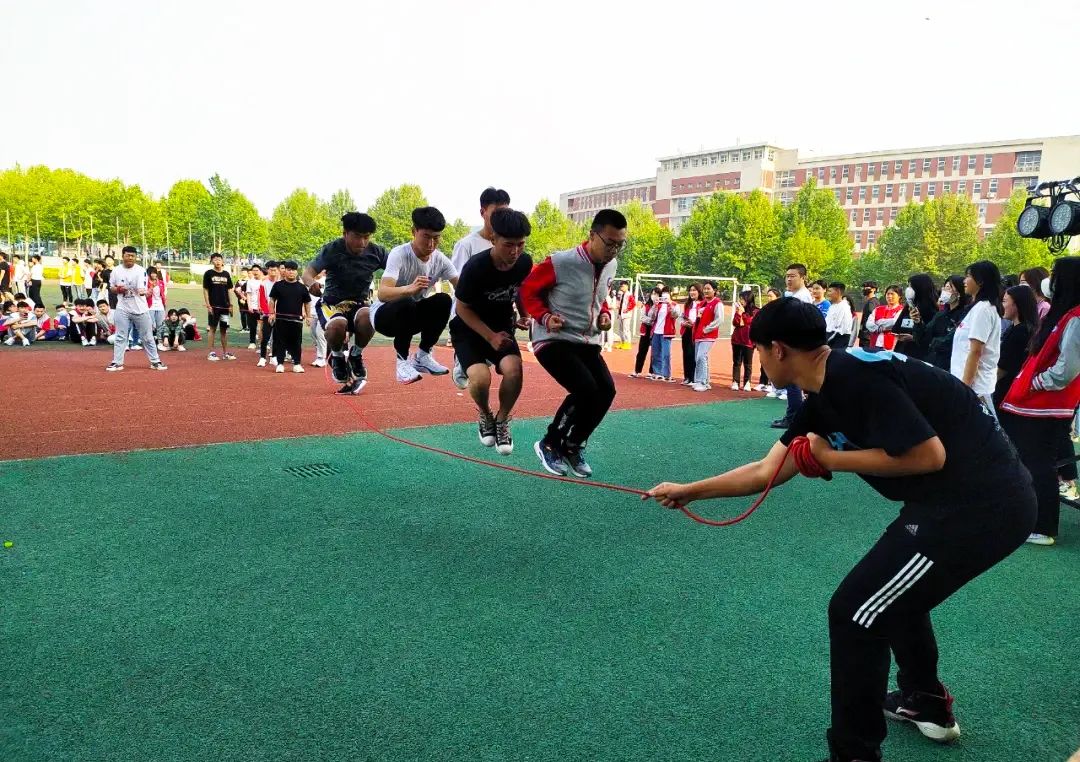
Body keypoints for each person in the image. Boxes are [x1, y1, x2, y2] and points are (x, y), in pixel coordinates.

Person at [644, 297, 1035, 762]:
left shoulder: (855, 379)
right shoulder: (824, 392)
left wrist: (831, 460)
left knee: (855, 611)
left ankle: (854, 753)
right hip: (959, 503)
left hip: (981, 508)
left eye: (759, 349)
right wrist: (689, 490)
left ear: (779, 349)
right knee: (890, 596)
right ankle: (924, 701)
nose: (760, 358)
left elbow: (929, 455)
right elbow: (766, 470)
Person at [521, 208, 624, 478]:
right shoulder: (561, 262)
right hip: (553, 340)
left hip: (586, 341)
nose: (614, 250)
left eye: (620, 244)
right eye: (610, 243)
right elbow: (527, 290)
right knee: (586, 389)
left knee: (607, 391)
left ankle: (573, 444)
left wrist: (605, 315)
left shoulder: (612, 265)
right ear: (592, 235)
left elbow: (601, 299)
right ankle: (549, 443)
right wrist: (543, 317)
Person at [1001, 256, 1080, 546]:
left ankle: (1044, 526)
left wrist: (1035, 382)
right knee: (1030, 460)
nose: (1051, 281)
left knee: (1041, 464)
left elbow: (1066, 369)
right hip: (1032, 402)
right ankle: (1029, 517)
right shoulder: (1065, 314)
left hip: (1047, 404)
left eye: (1056, 275)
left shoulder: (1076, 318)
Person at [449, 208, 532, 455]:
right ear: (493, 239)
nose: (515, 251)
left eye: (520, 244)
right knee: (480, 377)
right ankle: (485, 414)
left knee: (514, 370)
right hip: (469, 329)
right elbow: (462, 308)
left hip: (502, 326)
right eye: (509, 245)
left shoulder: (524, 262)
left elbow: (520, 291)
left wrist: (525, 315)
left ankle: (502, 420)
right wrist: (490, 337)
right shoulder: (476, 267)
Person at [370, 207, 458, 384]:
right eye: (426, 237)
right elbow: (384, 293)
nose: (431, 244)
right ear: (414, 232)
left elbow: (462, 289)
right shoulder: (399, 254)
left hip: (412, 318)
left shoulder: (440, 260)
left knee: (443, 300)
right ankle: (402, 362)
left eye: (436, 238)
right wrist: (409, 288)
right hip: (384, 317)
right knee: (407, 301)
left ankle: (422, 356)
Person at [303, 213, 389, 393]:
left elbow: (397, 268)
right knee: (338, 326)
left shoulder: (377, 252)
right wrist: (311, 284)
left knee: (368, 317)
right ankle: (336, 357)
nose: (363, 242)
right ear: (345, 233)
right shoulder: (332, 249)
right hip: (332, 303)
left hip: (359, 302)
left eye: (367, 237)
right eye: (358, 236)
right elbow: (307, 273)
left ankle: (356, 355)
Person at [448, 188, 511, 388]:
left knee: (505, 361)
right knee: (475, 372)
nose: (501, 219)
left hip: (497, 314)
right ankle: (463, 359)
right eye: (496, 213)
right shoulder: (466, 245)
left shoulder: (510, 245)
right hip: (469, 314)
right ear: (482, 212)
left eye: (505, 213)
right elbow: (457, 281)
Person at [950, 261, 1002, 413]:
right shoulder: (978, 308)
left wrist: (965, 388)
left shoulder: (984, 309)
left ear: (980, 281)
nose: (964, 281)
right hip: (967, 384)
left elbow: (975, 351)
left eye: (968, 277)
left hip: (976, 388)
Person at [106, 246, 167, 372]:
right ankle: (117, 362)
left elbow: (141, 289)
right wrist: (118, 289)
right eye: (128, 255)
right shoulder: (116, 271)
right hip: (122, 308)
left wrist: (144, 291)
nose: (130, 258)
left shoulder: (140, 271)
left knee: (147, 336)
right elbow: (111, 287)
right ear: (122, 256)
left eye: (133, 256)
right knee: (121, 336)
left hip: (140, 309)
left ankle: (155, 361)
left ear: (136, 257)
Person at [771, 264, 812, 429]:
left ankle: (794, 417)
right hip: (791, 342)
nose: (788, 279)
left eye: (793, 276)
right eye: (787, 275)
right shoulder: (792, 295)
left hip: (796, 344)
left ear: (802, 278)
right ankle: (795, 416)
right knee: (793, 381)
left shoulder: (802, 297)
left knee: (793, 381)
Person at [994, 285, 1038, 408]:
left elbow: (1003, 368)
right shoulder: (1015, 328)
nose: (1002, 305)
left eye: (1004, 301)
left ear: (1017, 304)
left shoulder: (1021, 332)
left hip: (1008, 392)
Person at [269, 260, 310, 374]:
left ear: (297, 272)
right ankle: (280, 364)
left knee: (296, 342)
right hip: (281, 319)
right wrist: (271, 313)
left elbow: (307, 302)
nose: (291, 272)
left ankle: (297, 364)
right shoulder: (278, 285)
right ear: (285, 271)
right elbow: (272, 300)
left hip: (296, 320)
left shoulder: (302, 287)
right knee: (280, 342)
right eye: (289, 270)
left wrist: (309, 316)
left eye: (293, 270)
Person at [892, 274, 937, 360]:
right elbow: (897, 327)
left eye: (911, 286)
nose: (908, 290)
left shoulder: (931, 310)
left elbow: (931, 336)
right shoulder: (909, 306)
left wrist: (914, 338)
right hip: (902, 351)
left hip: (919, 355)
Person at [202, 253, 236, 361]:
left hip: (225, 307)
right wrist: (208, 305)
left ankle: (225, 353)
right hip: (213, 306)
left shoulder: (226, 274)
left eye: (219, 259)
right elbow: (205, 290)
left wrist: (230, 304)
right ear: (212, 261)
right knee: (212, 328)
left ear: (222, 261)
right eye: (215, 259)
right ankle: (211, 353)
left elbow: (229, 289)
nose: (217, 261)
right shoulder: (208, 273)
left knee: (224, 330)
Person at [692, 281, 724, 391]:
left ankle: (702, 382)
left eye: (708, 288)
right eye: (704, 288)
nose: (705, 290)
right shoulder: (702, 303)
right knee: (699, 358)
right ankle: (703, 380)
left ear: (714, 290)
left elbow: (719, 319)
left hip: (708, 335)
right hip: (698, 335)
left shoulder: (717, 303)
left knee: (701, 356)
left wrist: (707, 329)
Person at [648, 286, 678, 381]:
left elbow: (675, 315)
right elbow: (651, 316)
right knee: (655, 353)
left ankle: (667, 374)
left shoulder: (674, 304)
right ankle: (657, 372)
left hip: (667, 332)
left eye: (667, 293)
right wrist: (654, 305)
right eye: (663, 294)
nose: (665, 296)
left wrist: (669, 304)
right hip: (656, 331)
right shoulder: (659, 305)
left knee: (666, 354)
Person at [629, 287, 659, 378]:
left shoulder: (660, 306)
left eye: (657, 294)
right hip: (646, 330)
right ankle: (637, 370)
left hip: (655, 331)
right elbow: (642, 317)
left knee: (654, 352)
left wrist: (656, 306)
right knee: (642, 351)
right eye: (653, 293)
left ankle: (651, 371)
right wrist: (651, 321)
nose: (654, 296)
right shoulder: (646, 305)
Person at [730, 289, 756, 391]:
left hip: (749, 341)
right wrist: (739, 313)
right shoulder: (739, 310)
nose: (741, 301)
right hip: (737, 339)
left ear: (748, 299)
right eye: (740, 299)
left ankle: (747, 382)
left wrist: (743, 314)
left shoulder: (755, 311)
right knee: (736, 362)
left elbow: (749, 322)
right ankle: (735, 381)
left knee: (748, 363)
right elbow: (736, 323)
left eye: (742, 299)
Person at [864, 285, 904, 351]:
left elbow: (895, 322)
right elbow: (868, 324)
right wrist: (878, 328)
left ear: (899, 296)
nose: (889, 296)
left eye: (892, 294)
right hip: (874, 344)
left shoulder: (902, 310)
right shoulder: (878, 309)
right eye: (888, 294)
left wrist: (878, 322)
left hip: (891, 346)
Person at [759, 287, 781, 394]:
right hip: (768, 339)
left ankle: (781, 388)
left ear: (777, 297)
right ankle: (773, 387)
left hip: (778, 339)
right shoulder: (766, 308)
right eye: (767, 296)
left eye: (771, 296)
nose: (769, 298)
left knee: (779, 363)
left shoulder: (781, 308)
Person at [256, 261, 279, 367]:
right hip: (267, 315)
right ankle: (262, 358)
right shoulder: (263, 283)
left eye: (275, 270)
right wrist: (269, 313)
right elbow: (262, 299)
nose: (273, 272)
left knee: (277, 337)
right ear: (267, 270)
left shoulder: (280, 284)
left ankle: (274, 357)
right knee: (265, 337)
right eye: (271, 270)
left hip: (279, 314)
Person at [680, 284, 702, 385]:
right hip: (686, 331)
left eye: (694, 290)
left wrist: (693, 324)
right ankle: (687, 377)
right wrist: (683, 323)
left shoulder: (702, 304)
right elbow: (682, 317)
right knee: (686, 354)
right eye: (690, 290)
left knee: (693, 354)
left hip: (696, 332)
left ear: (699, 291)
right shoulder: (687, 304)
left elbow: (702, 319)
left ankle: (694, 378)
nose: (692, 292)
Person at [824, 282, 854, 349]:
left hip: (838, 341)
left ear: (838, 292)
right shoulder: (832, 306)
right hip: (829, 339)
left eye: (830, 291)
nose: (828, 294)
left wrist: (826, 341)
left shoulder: (844, 307)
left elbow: (841, 329)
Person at [245, 264, 263, 350]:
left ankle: (262, 343)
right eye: (253, 270)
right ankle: (252, 342)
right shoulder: (250, 282)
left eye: (257, 270)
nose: (255, 272)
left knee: (262, 327)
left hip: (262, 308)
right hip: (252, 307)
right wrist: (249, 306)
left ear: (260, 271)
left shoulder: (264, 281)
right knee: (252, 326)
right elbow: (248, 294)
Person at [857, 282, 880, 348]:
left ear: (874, 289)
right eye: (864, 287)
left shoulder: (872, 302)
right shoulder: (871, 301)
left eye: (867, 287)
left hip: (867, 336)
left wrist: (867, 333)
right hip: (866, 335)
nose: (865, 289)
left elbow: (872, 318)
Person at [146, 267, 167, 336]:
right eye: (151, 273)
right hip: (150, 306)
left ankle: (159, 339)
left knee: (160, 324)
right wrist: (152, 287)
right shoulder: (146, 283)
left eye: (154, 273)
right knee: (150, 324)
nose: (153, 275)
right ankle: (150, 339)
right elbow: (146, 295)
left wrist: (164, 303)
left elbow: (162, 294)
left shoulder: (160, 282)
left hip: (160, 305)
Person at [615, 282, 635, 349]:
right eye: (620, 286)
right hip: (621, 314)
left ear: (627, 286)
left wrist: (627, 309)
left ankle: (627, 343)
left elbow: (633, 303)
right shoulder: (621, 294)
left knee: (626, 329)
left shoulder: (629, 294)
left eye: (622, 286)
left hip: (626, 315)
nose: (621, 288)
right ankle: (622, 342)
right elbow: (619, 303)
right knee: (620, 329)